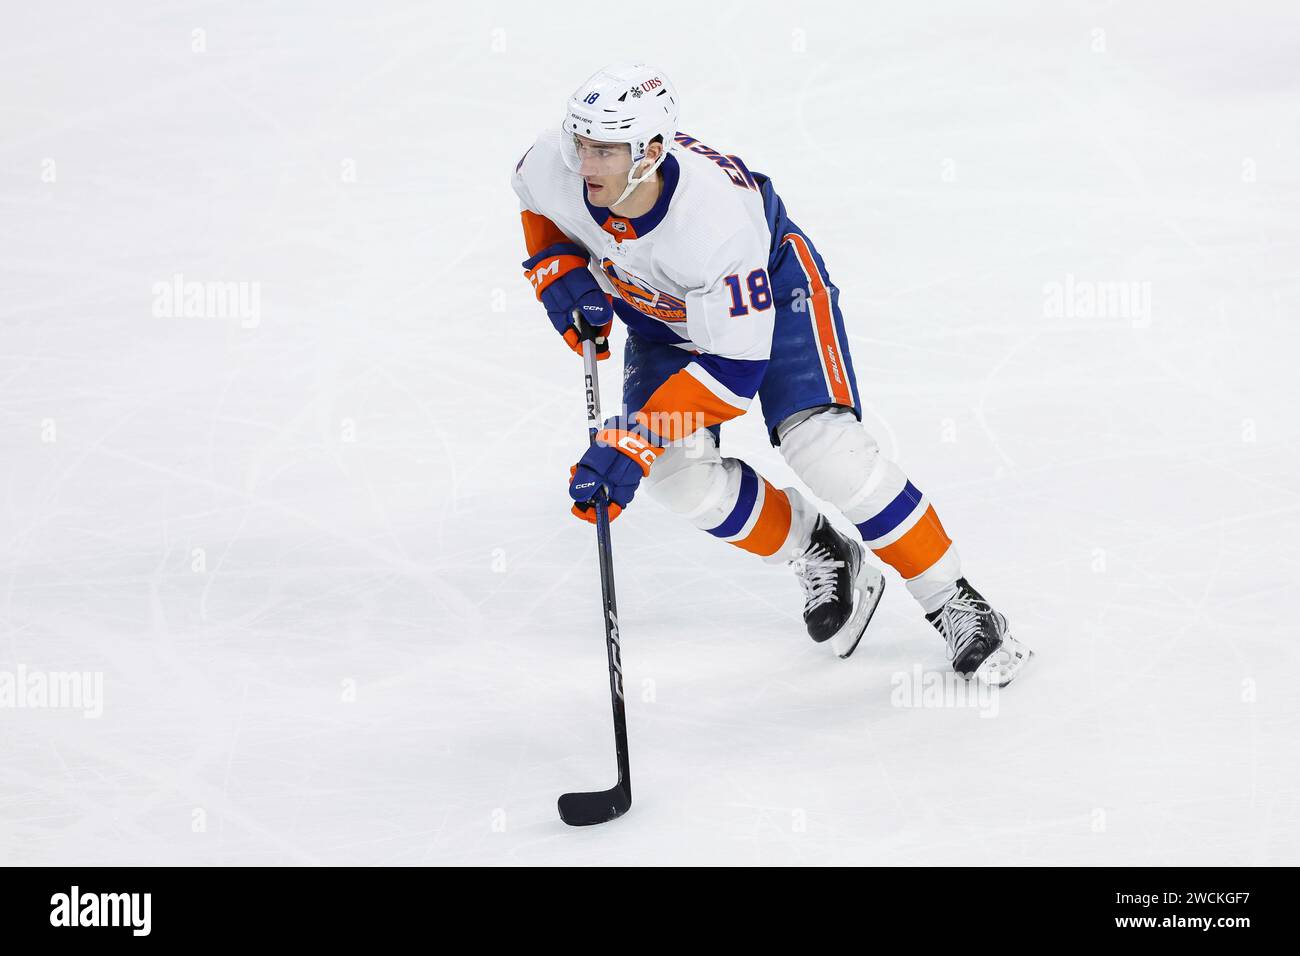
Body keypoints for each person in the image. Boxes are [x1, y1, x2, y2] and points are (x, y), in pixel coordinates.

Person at [511, 63, 1031, 686]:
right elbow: (534, 198)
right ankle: (820, 550)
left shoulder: (715, 226)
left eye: (603, 150)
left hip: (773, 297)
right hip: (661, 311)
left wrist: (638, 433)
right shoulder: (558, 167)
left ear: (649, 153)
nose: (582, 163)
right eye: (579, 143)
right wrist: (554, 265)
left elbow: (733, 371)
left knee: (827, 453)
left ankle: (953, 598)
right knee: (678, 480)